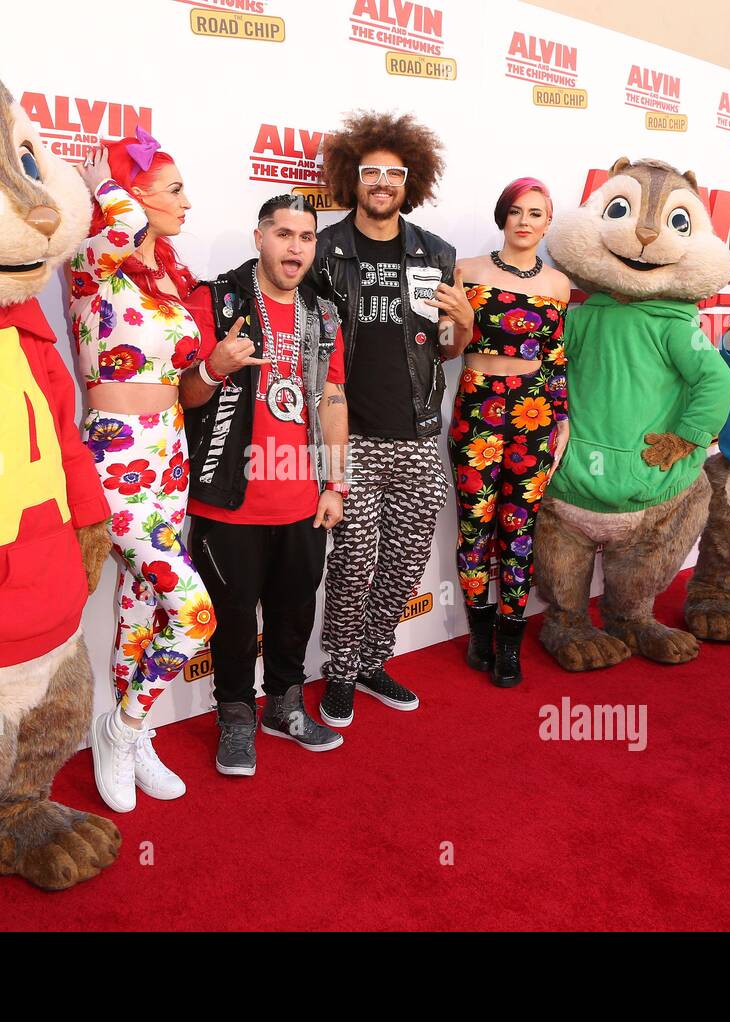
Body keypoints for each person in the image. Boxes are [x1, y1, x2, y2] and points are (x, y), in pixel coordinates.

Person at [309, 110, 472, 728]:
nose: (382, 182)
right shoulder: (324, 252)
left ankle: (375, 660)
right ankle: (341, 673)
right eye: (371, 172)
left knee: (404, 563)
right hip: (352, 437)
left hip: (419, 437)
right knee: (351, 564)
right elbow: (309, 349)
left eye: (394, 174)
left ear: (412, 181)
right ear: (353, 178)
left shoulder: (435, 251)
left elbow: (449, 346)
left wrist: (466, 322)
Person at [71, 131, 216, 813]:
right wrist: (105, 181)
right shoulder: (92, 267)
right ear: (133, 198)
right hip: (115, 456)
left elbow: (187, 371)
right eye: (176, 189)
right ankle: (119, 728)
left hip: (171, 452)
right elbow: (122, 226)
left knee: (140, 605)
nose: (188, 202)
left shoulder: (168, 275)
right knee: (193, 616)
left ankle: (136, 730)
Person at [181, 194, 349, 775]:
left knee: (293, 614)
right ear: (259, 237)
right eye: (284, 234)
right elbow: (185, 394)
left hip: (302, 501)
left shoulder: (324, 314)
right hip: (229, 501)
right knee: (231, 623)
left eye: (306, 237)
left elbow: (332, 399)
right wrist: (215, 367)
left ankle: (283, 706)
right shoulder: (218, 299)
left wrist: (336, 485)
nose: (296, 247)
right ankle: (234, 716)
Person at [447, 178, 572, 686]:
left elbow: (557, 358)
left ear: (547, 223)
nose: (525, 221)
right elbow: (445, 344)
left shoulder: (559, 285)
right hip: (477, 408)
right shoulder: (466, 272)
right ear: (503, 217)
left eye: (536, 214)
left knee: (519, 531)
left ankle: (509, 640)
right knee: (475, 525)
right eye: (517, 211)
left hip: (535, 414)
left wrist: (562, 419)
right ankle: (479, 633)